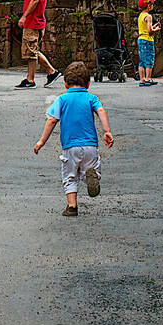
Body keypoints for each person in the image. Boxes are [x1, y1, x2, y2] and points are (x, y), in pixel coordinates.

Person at [34, 60, 114, 216]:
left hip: (70, 147)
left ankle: (72, 206)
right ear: (88, 84)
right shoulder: (91, 98)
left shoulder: (62, 100)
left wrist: (41, 141)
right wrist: (107, 131)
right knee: (89, 169)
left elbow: (51, 120)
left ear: (65, 84)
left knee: (70, 176)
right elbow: (101, 111)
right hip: (90, 145)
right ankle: (94, 175)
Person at [15, 0, 61, 89]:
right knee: (33, 50)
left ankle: (31, 80)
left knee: (31, 51)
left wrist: (24, 17)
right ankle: (51, 72)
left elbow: (35, 0)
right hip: (36, 21)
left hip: (33, 22)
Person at [136, 0, 160, 85]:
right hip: (148, 40)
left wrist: (153, 26)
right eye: (152, 4)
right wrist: (156, 29)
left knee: (142, 60)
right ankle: (148, 78)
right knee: (149, 59)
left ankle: (142, 79)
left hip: (140, 39)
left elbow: (145, 29)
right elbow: (150, 31)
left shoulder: (140, 16)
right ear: (149, 6)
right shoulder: (149, 16)